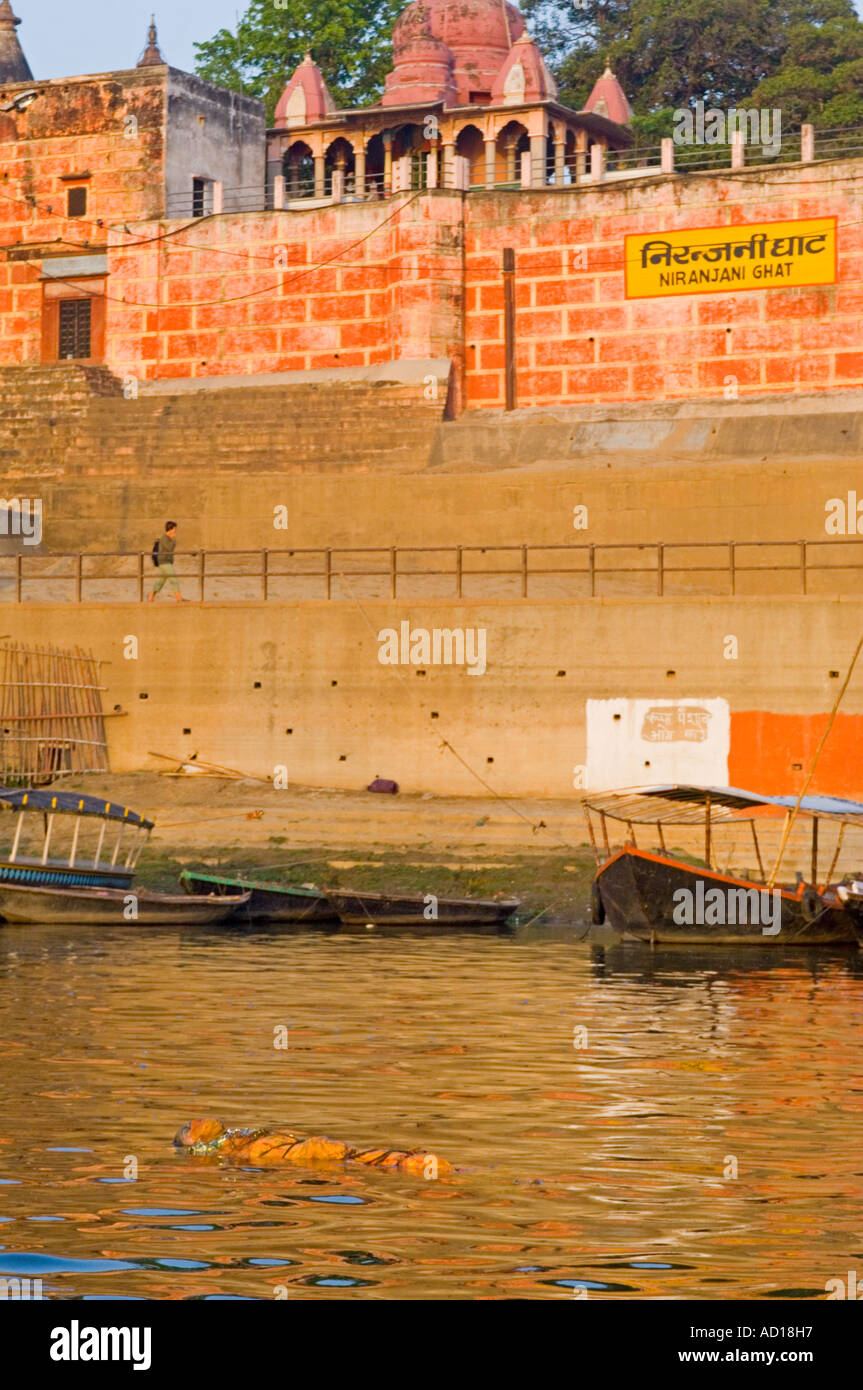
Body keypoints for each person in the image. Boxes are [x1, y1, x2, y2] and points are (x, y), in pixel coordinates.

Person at [148, 520, 184, 603]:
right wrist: (173, 540)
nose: (175, 530)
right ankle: (179, 599)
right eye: (174, 528)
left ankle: (150, 597)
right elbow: (170, 548)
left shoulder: (167, 538)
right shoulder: (164, 538)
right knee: (174, 579)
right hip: (164, 562)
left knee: (160, 581)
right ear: (170, 529)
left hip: (166, 562)